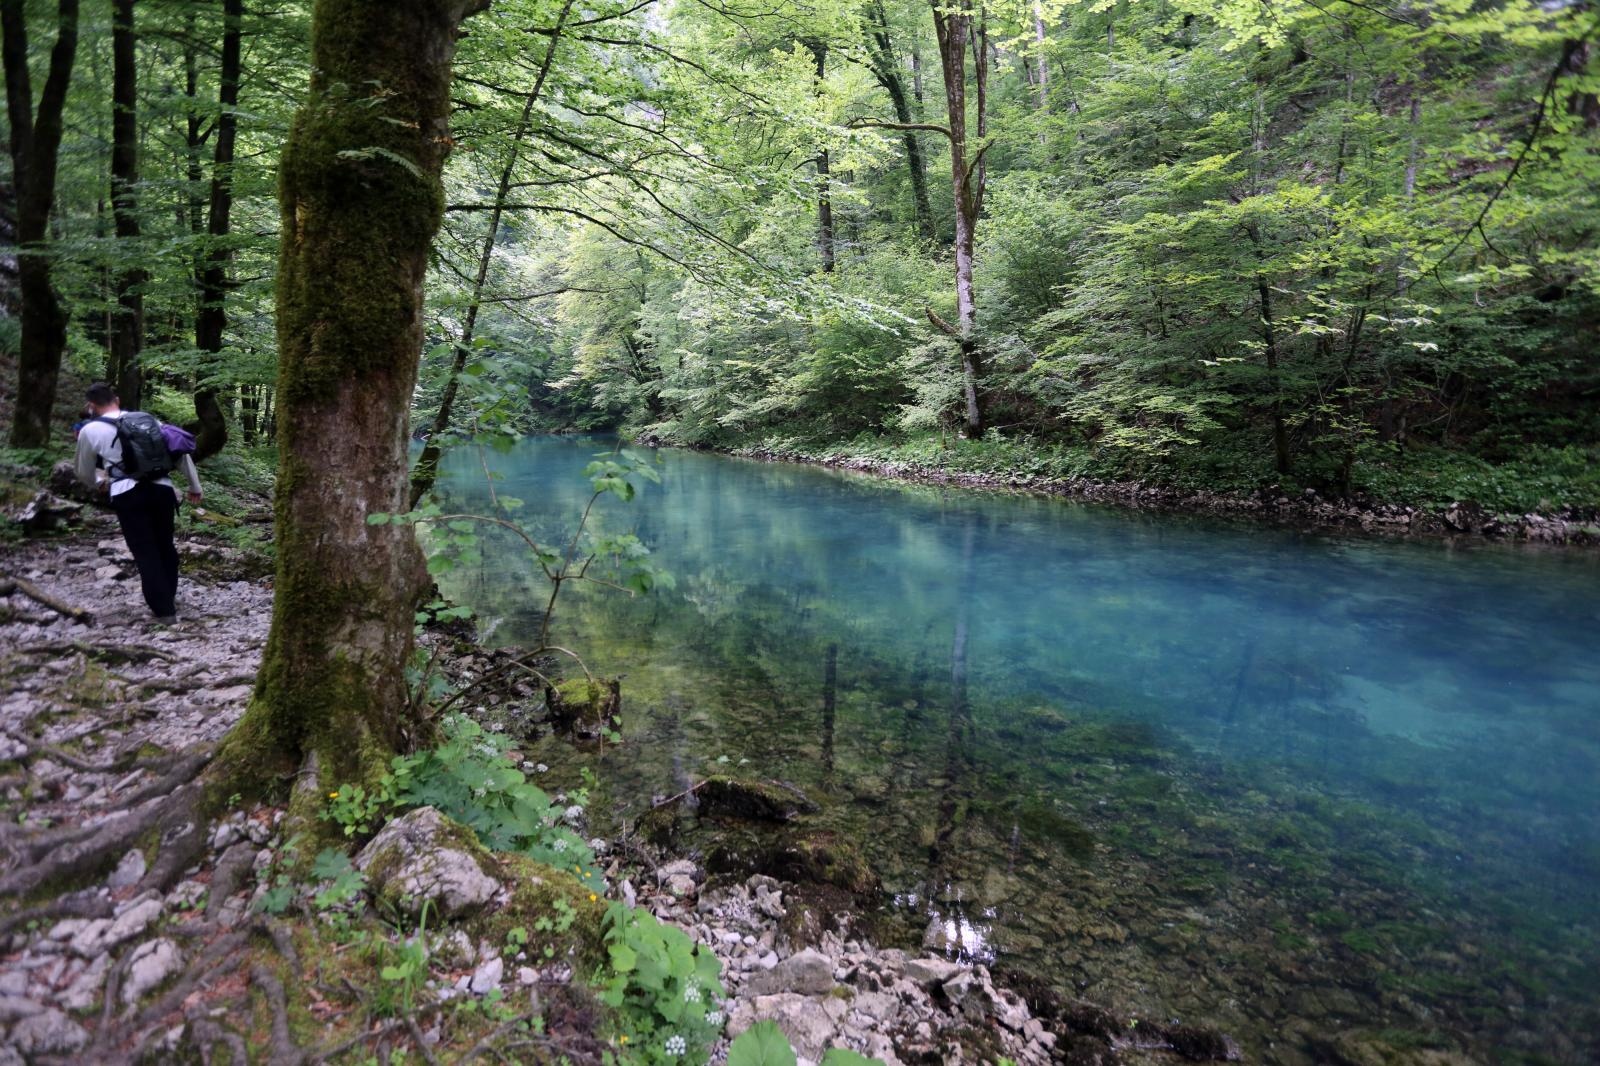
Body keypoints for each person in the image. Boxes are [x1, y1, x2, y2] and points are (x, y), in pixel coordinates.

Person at [74, 383, 204, 623]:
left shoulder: (89, 430)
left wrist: (99, 483)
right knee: (165, 545)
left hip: (127, 493)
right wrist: (194, 486)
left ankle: (164, 611)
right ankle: (168, 598)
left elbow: (83, 473)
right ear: (117, 399)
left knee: (145, 551)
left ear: (92, 406)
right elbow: (178, 452)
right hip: (162, 489)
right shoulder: (147, 420)